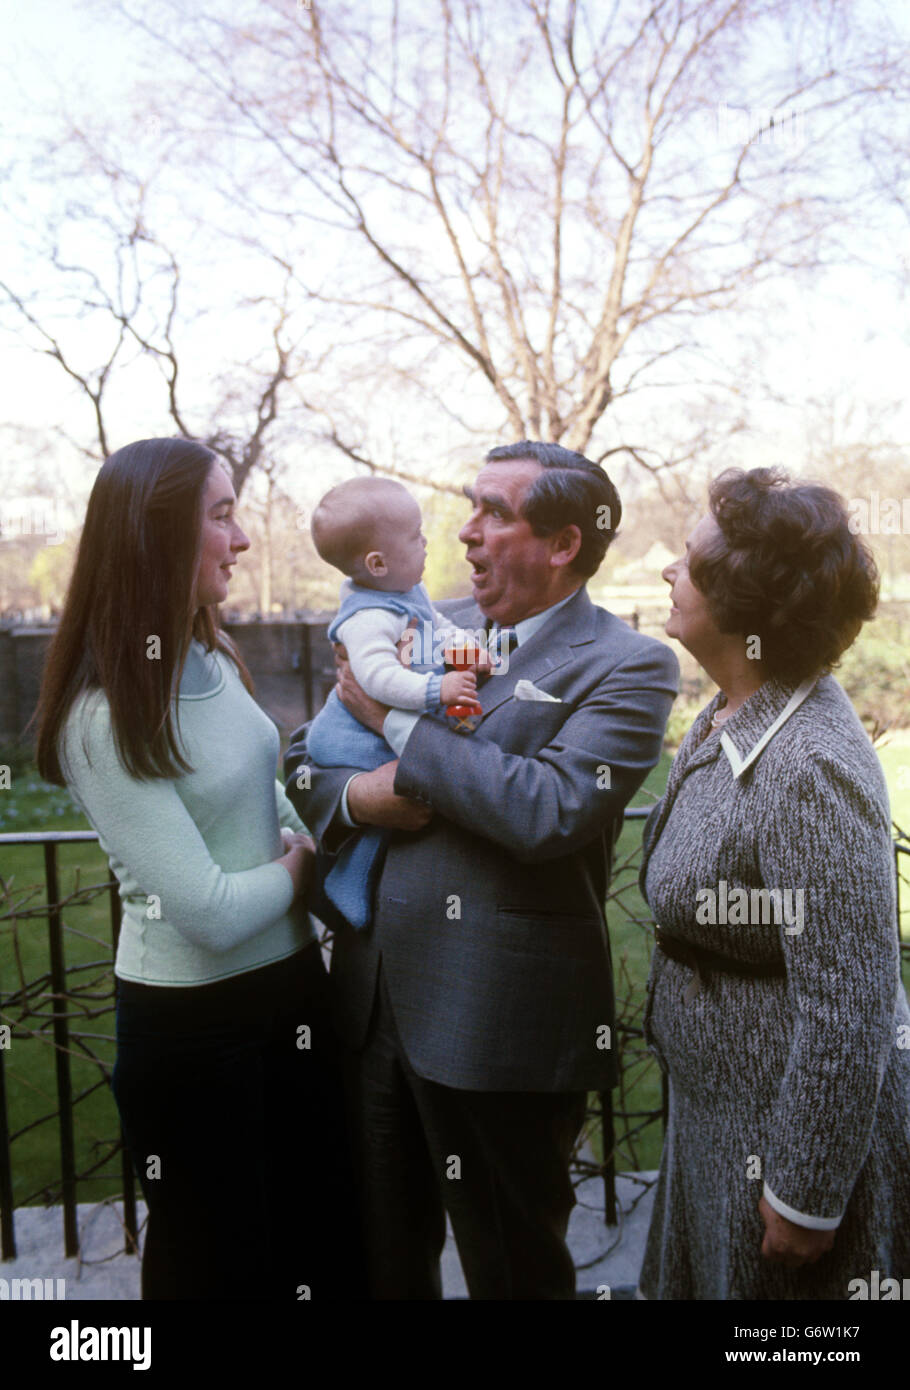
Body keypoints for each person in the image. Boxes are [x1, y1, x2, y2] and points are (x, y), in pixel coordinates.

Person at [285, 440, 680, 1299]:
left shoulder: (629, 665)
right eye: (468, 508)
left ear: (565, 542)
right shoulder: (424, 627)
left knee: (514, 1270)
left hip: (499, 1023)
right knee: (383, 1261)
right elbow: (304, 757)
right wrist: (363, 800)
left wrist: (396, 732)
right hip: (372, 1004)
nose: (465, 533)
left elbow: (549, 809)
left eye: (493, 513)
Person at [35, 437, 361, 1300]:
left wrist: (313, 842)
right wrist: (298, 874)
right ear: (157, 536)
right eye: (222, 517)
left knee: (320, 1242)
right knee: (221, 1267)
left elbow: (273, 802)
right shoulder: (102, 718)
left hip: (295, 995)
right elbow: (207, 912)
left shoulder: (214, 661)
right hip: (195, 1031)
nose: (242, 539)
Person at [637, 465, 910, 1300]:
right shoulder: (735, 711)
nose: (667, 572)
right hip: (721, 1114)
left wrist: (806, 1193)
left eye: (686, 560)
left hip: (778, 1135)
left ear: (742, 601)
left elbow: (851, 999)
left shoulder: (808, 765)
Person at [306, 476, 485, 929]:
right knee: (388, 806)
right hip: (349, 740)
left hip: (376, 731)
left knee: (400, 792)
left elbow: (438, 627)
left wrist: (468, 650)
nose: (427, 542)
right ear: (378, 563)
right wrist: (436, 691)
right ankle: (346, 884)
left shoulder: (406, 595)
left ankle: (349, 882)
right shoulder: (367, 618)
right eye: (415, 536)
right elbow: (376, 678)